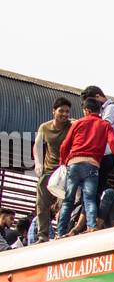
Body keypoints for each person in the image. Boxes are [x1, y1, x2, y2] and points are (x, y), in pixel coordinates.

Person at [57, 96, 114, 235]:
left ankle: (60, 232)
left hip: (74, 164)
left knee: (68, 200)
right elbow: (113, 143)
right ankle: (91, 226)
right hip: (92, 165)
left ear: (86, 110)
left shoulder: (77, 123)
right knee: (89, 198)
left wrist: (63, 162)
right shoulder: (105, 125)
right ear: (99, 110)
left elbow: (64, 145)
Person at [33, 96, 72, 243]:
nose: (64, 114)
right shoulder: (45, 127)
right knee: (41, 202)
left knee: (64, 202)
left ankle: (62, 232)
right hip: (49, 170)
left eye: (67, 111)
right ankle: (42, 235)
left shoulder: (72, 125)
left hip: (65, 170)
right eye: (61, 111)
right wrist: (38, 163)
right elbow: (37, 145)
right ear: (53, 111)